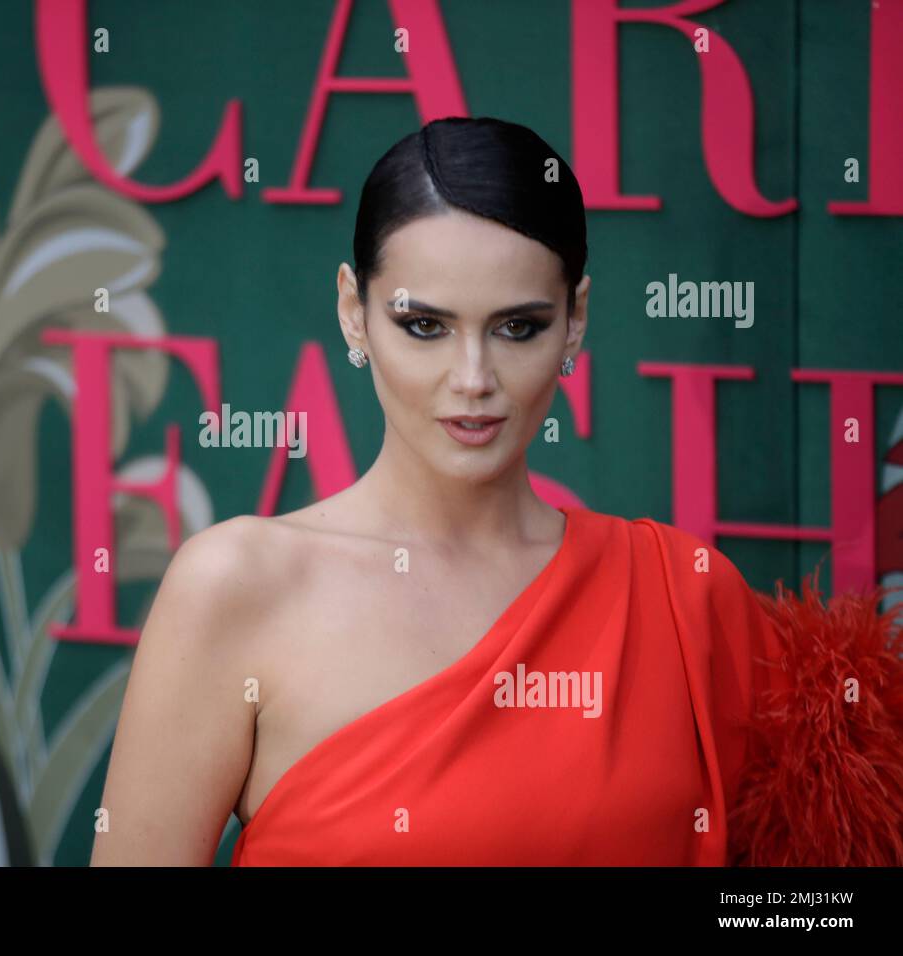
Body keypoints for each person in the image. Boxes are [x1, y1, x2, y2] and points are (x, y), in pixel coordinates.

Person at [88, 117, 898, 866]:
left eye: (519, 327)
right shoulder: (234, 588)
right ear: (352, 313)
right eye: (424, 326)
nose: (472, 380)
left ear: (575, 319)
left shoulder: (682, 595)